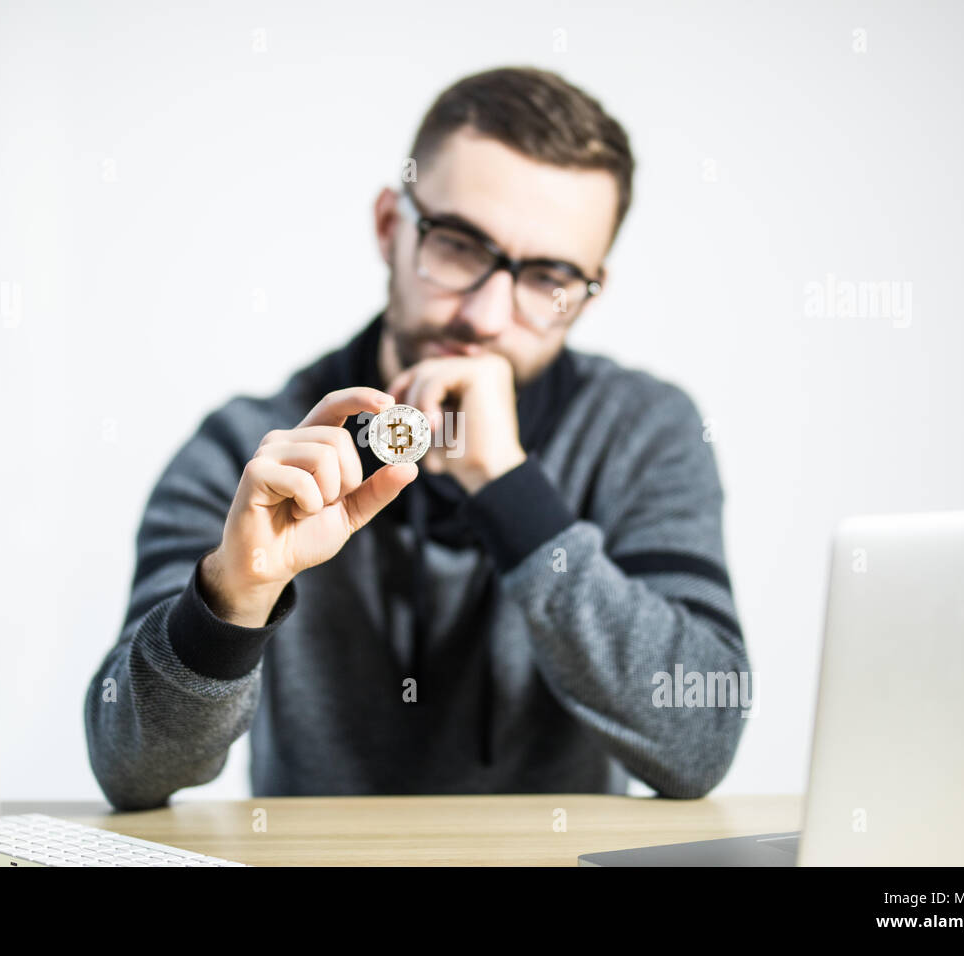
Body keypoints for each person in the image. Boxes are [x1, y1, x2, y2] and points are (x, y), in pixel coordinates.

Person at [85, 66, 749, 807]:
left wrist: (511, 492)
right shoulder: (252, 447)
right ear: (389, 227)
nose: (489, 317)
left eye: (549, 278)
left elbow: (704, 740)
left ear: (588, 292)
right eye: (462, 246)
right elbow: (127, 767)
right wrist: (232, 597)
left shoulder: (643, 431)